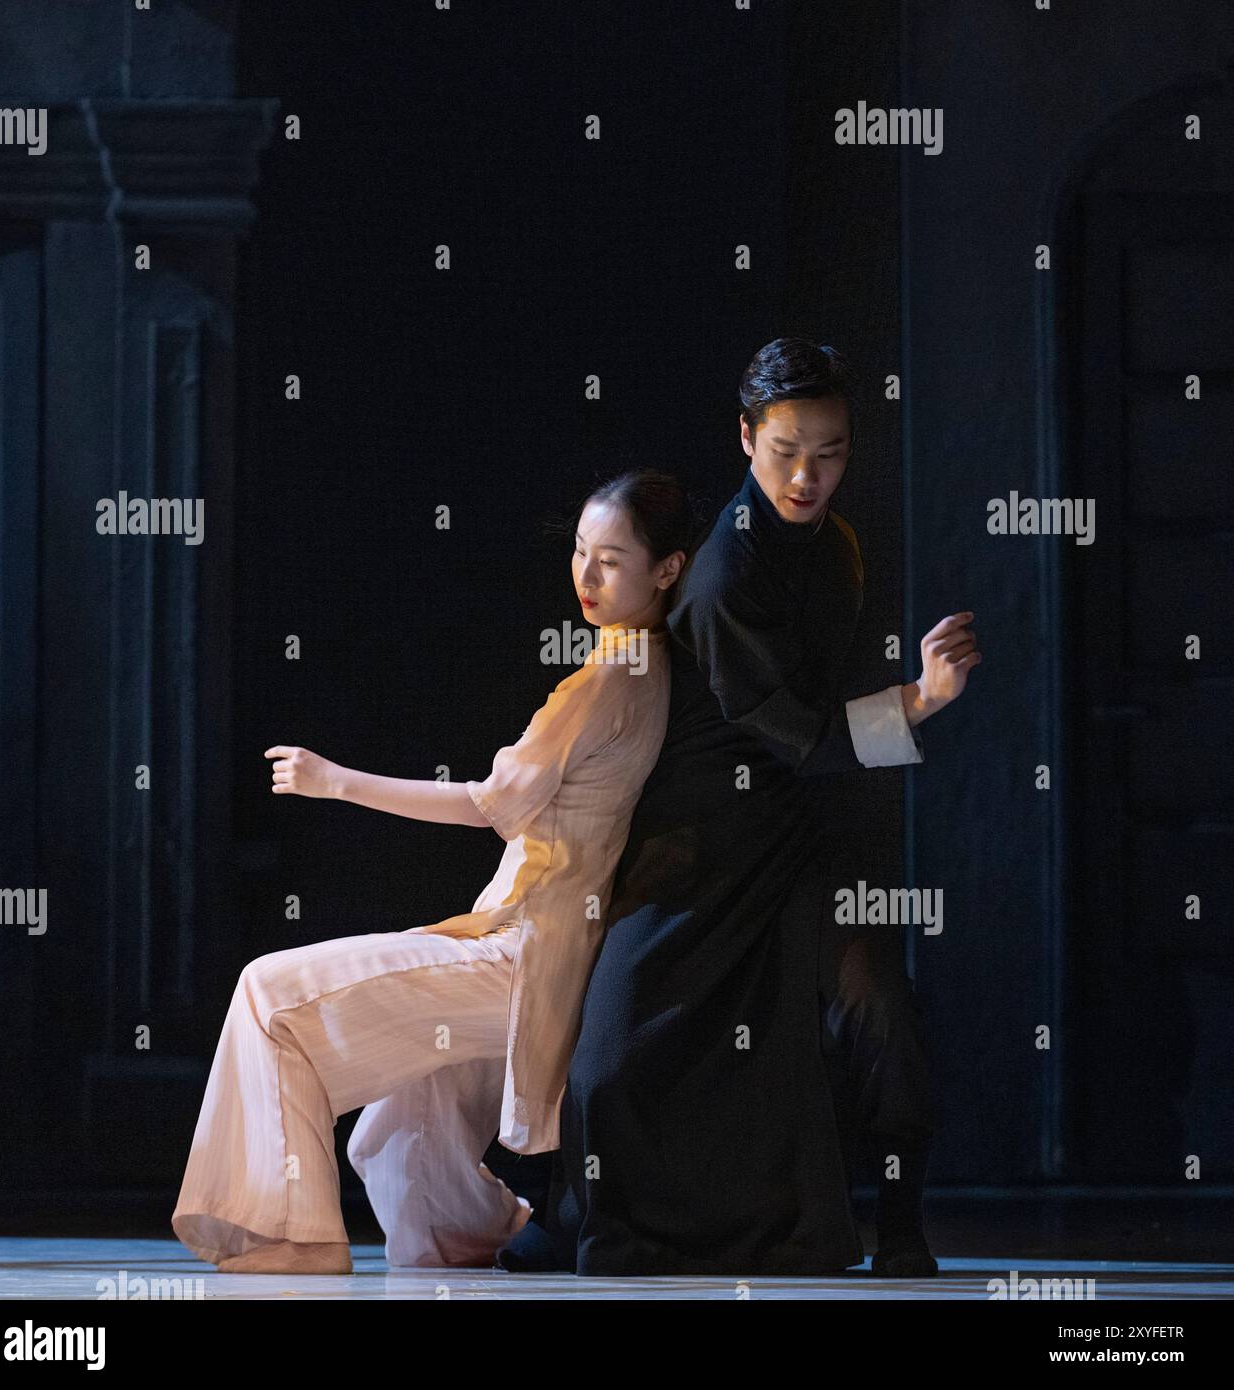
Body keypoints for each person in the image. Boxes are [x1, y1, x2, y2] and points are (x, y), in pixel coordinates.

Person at [500, 337, 981, 1277]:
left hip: (792, 832)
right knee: (614, 1055)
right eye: (786, 450)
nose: (808, 475)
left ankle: (904, 1230)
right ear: (746, 440)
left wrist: (899, 715)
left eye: (832, 451)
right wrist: (918, 701)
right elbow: (796, 736)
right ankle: (575, 1217)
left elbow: (810, 736)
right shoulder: (721, 572)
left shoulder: (834, 545)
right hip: (692, 844)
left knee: (874, 999)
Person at [170, 469, 696, 1273]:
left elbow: (488, 804)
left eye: (612, 561)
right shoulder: (646, 670)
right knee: (397, 1136)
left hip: (521, 961)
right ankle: (472, 1245)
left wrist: (336, 781)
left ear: (668, 570)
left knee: (269, 995)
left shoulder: (604, 683)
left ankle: (296, 1240)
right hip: (538, 959)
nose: (587, 578)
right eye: (581, 554)